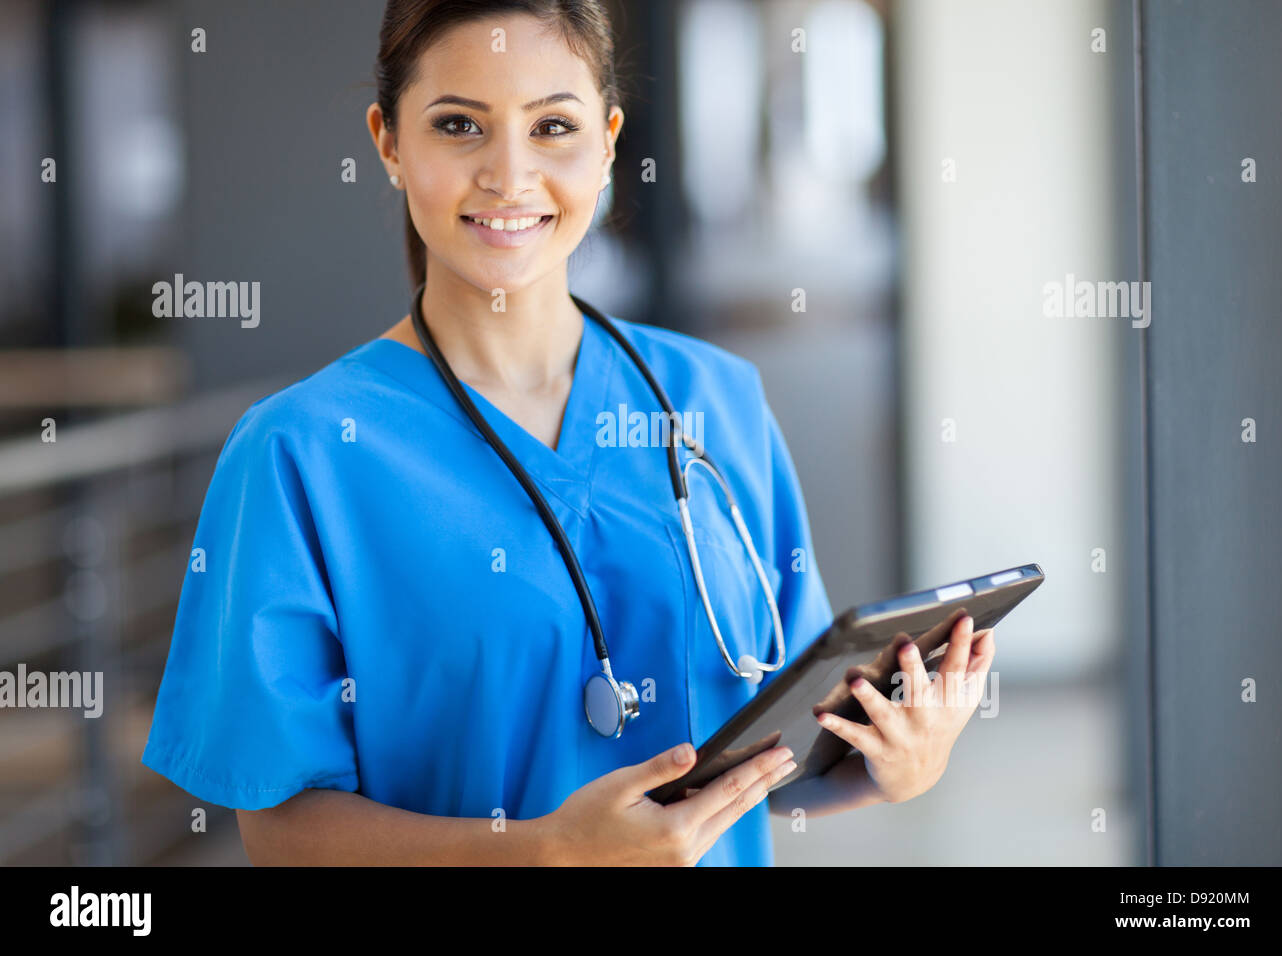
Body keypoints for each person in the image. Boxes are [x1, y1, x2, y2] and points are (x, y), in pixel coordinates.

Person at [141, 0, 996, 866]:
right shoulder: (299, 454)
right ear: (389, 145)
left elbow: (774, 750)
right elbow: (283, 835)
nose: (509, 176)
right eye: (458, 126)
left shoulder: (713, 399)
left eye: (553, 125)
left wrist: (891, 766)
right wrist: (546, 854)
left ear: (609, 140)